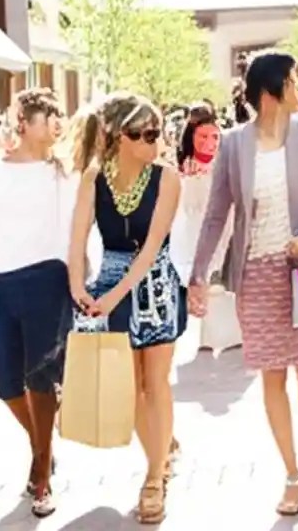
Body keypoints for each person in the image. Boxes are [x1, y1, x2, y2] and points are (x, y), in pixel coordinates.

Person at [189, 50, 298, 517]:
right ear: (272, 90)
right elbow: (218, 212)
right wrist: (199, 273)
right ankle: (292, 473)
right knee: (273, 374)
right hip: (256, 273)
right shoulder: (236, 145)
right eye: (294, 82)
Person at [67, 93, 184, 524]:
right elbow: (77, 239)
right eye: (143, 133)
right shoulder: (93, 179)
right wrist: (77, 286)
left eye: (157, 132)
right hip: (111, 283)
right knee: (130, 387)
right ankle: (161, 446)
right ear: (119, 136)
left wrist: (111, 297)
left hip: (154, 287)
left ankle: (155, 477)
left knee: (156, 382)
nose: (153, 141)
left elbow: (153, 248)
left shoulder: (167, 178)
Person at [0, 88, 75, 517]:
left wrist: (82, 280)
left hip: (48, 278)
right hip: (0, 279)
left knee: (41, 378)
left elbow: (76, 230)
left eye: (58, 116)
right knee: (6, 380)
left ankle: (42, 473)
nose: (56, 124)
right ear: (24, 123)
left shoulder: (62, 170)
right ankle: (41, 445)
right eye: (48, 117)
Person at [170, 104, 237, 351]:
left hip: (226, 225)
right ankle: (209, 333)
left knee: (224, 278)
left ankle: (228, 332)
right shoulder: (183, 169)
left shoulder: (227, 163)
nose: (210, 142)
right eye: (203, 137)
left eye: (214, 137)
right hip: (195, 229)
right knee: (204, 276)